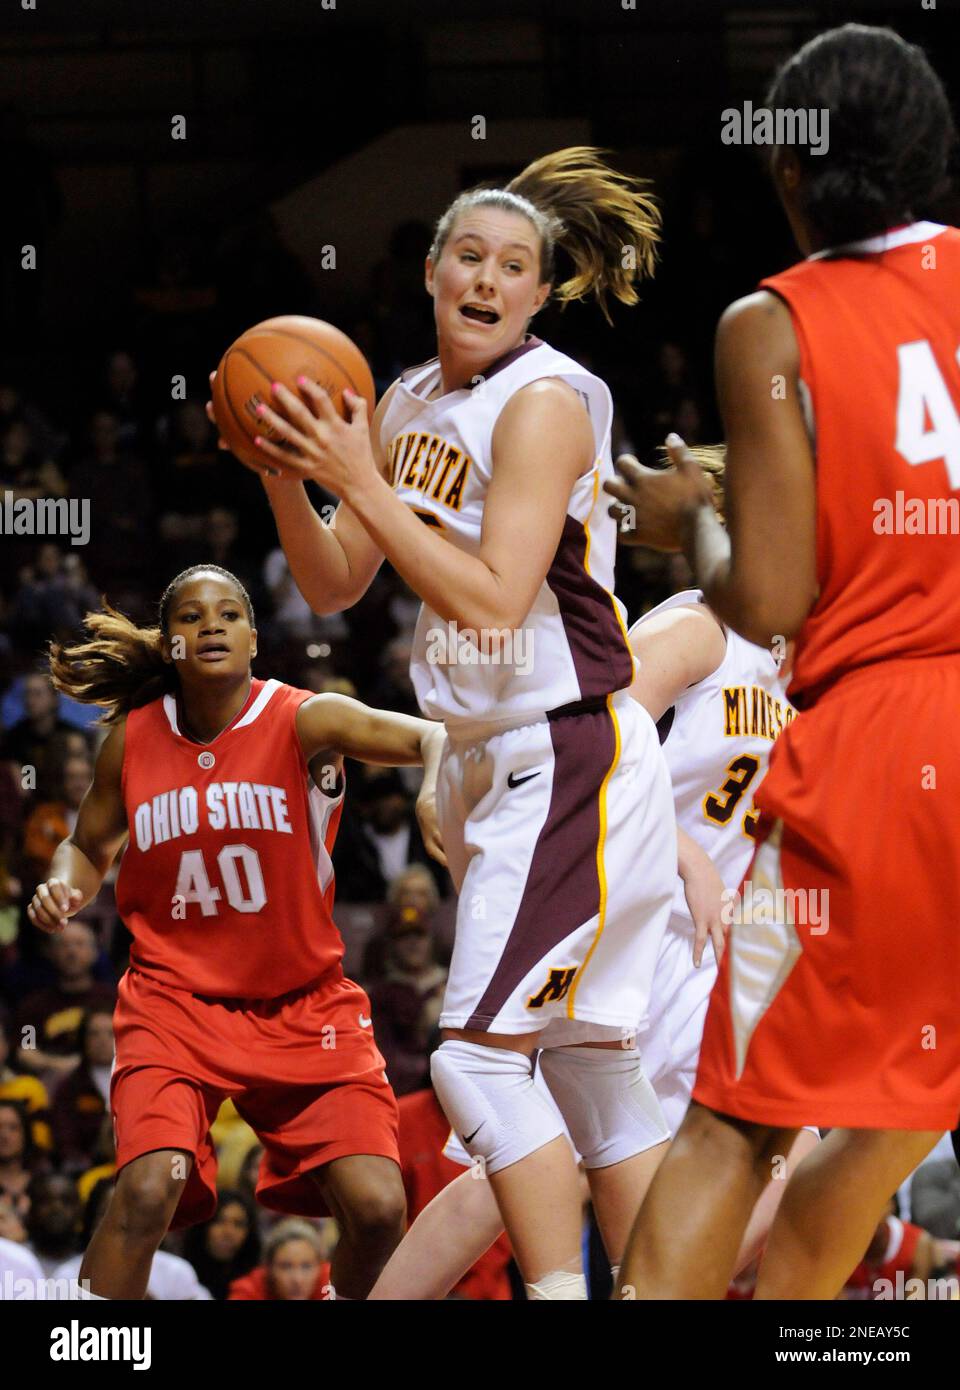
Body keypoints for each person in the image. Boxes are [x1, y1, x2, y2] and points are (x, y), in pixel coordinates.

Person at [213, 147, 679, 1299]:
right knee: (586, 1067)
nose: (487, 277)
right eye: (468, 254)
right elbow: (331, 585)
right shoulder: (408, 398)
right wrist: (287, 472)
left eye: (513, 266)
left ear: (537, 293)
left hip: (572, 751)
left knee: (472, 1060)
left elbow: (493, 594)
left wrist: (357, 477)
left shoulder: (549, 403)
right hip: (496, 764)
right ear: (431, 269)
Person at [605, 24, 960, 1299]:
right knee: (907, 1100)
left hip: (887, 730)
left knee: (741, 1115)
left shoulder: (774, 321)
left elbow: (766, 597)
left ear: (790, 172)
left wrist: (676, 521)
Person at [369, 475, 818, 1298]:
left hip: (717, 954)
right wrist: (684, 858)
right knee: (516, 1175)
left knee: (777, 1162)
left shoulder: (798, 669)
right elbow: (604, 742)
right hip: (632, 909)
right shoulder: (698, 628)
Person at [29, 562, 446, 1299]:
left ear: (255, 637)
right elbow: (88, 848)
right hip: (175, 1005)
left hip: (303, 1005)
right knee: (150, 1191)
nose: (210, 626)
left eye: (227, 614)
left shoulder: (302, 718)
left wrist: (437, 777)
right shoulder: (132, 740)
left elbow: (427, 737)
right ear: (171, 645)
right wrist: (65, 883)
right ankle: (87, 1349)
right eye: (190, 617)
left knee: (381, 1208)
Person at [13, 921, 116, 1080]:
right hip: (50, 1085)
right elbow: (26, 1050)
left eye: (79, 944)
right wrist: (59, 1064)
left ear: (95, 953)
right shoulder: (33, 1006)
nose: (71, 952)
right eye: (64, 945)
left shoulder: (113, 999)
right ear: (51, 952)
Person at [50, 1007, 114, 1175]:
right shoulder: (69, 1087)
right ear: (83, 1040)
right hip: (86, 1170)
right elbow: (65, 1142)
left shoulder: (137, 1081)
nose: (102, 1040)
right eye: (94, 1033)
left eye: (110, 1033)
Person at [181, 1188, 260, 1300]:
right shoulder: (178, 1275)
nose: (228, 1232)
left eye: (238, 1224)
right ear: (203, 1226)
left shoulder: (257, 1285)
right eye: (218, 1221)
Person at [227, 1217, 332, 1300]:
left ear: (319, 1265)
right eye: (285, 1266)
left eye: (306, 1266)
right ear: (268, 1267)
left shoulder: (333, 1282)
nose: (297, 1279)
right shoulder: (250, 1289)